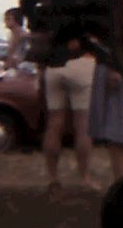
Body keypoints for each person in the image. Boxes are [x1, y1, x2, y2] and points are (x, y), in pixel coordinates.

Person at [41, 36, 98, 193]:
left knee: (54, 123)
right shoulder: (84, 18)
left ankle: (53, 179)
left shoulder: (53, 17)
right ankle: (84, 178)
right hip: (82, 63)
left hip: (54, 65)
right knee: (83, 124)